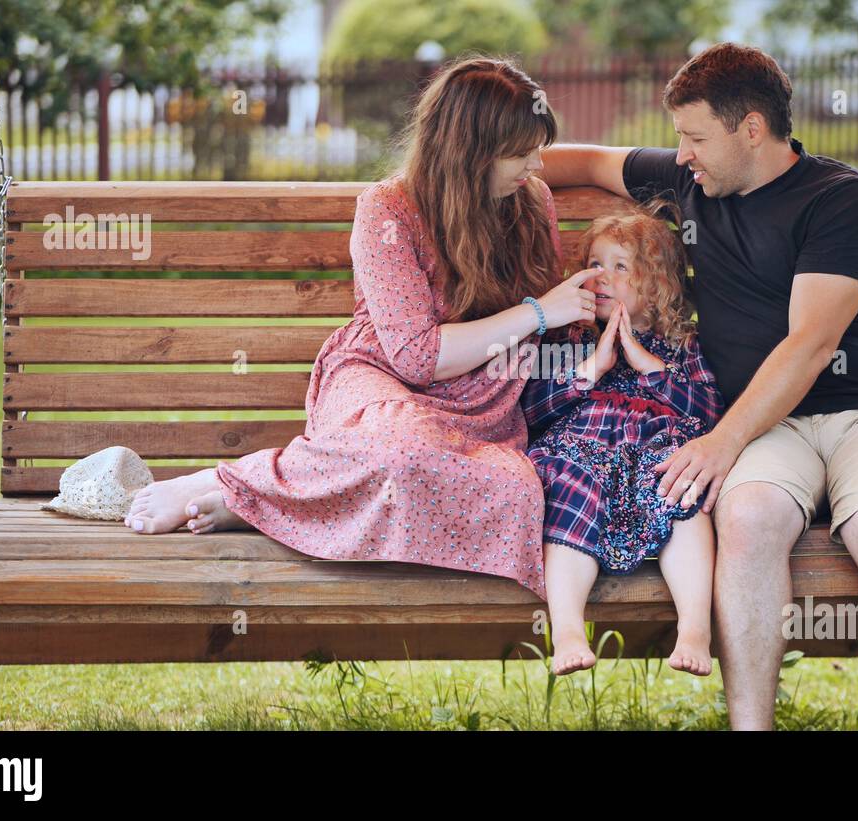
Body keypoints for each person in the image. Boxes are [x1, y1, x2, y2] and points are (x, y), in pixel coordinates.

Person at [539, 42, 858, 729]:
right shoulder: (688, 183)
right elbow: (581, 161)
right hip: (767, 425)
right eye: (680, 137)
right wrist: (465, 175)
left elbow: (810, 346)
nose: (682, 153)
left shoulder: (841, 200)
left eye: (696, 137)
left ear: (752, 129)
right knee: (748, 520)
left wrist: (719, 443)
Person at [124, 57, 603, 599]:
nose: (536, 165)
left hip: (486, 391)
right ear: (470, 153)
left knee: (515, 487)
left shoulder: (530, 202)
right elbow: (418, 357)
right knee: (398, 451)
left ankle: (268, 507)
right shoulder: (388, 209)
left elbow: (555, 324)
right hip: (382, 377)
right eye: (520, 153)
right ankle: (231, 485)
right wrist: (540, 312)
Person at [521, 210, 724, 676]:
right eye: (595, 264)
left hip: (657, 457)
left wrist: (649, 365)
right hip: (581, 453)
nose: (602, 278)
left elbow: (710, 412)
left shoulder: (682, 344)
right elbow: (529, 411)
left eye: (620, 266)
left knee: (683, 494)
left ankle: (695, 627)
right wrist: (592, 367)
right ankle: (568, 629)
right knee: (570, 493)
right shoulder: (568, 340)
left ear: (657, 284)